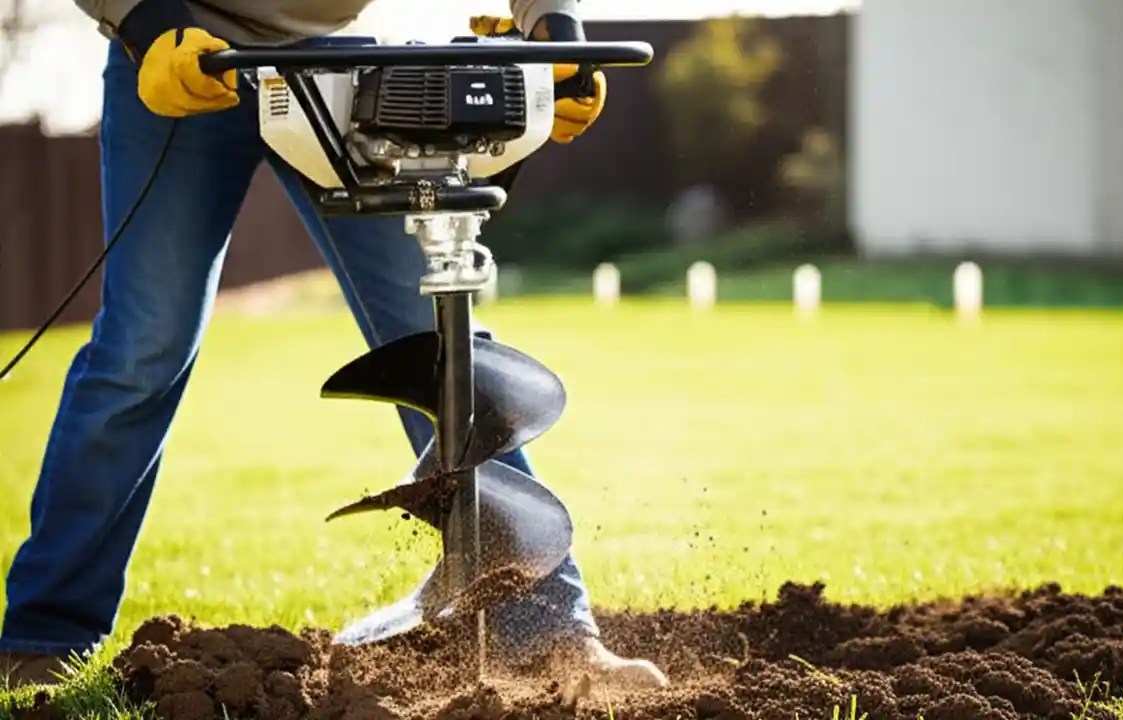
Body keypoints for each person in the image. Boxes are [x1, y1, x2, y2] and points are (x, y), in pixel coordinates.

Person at [0, 0, 667, 693]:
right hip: (182, 51)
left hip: (335, 68)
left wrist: (557, 33)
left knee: (437, 339)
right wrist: (141, 21)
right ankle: (45, 639)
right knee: (142, 351)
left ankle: (552, 635)